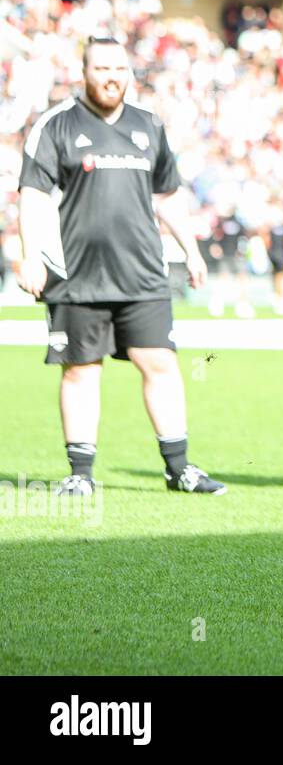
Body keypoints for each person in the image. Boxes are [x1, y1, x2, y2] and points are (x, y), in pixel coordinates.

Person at [16, 36, 226, 496]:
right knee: (81, 369)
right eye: (102, 69)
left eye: (120, 69)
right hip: (76, 275)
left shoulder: (149, 126)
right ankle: (80, 474)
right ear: (84, 72)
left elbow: (167, 196)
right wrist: (29, 255)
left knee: (161, 364)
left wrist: (189, 249)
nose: (111, 77)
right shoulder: (56, 126)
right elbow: (32, 195)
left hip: (143, 275)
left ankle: (179, 469)